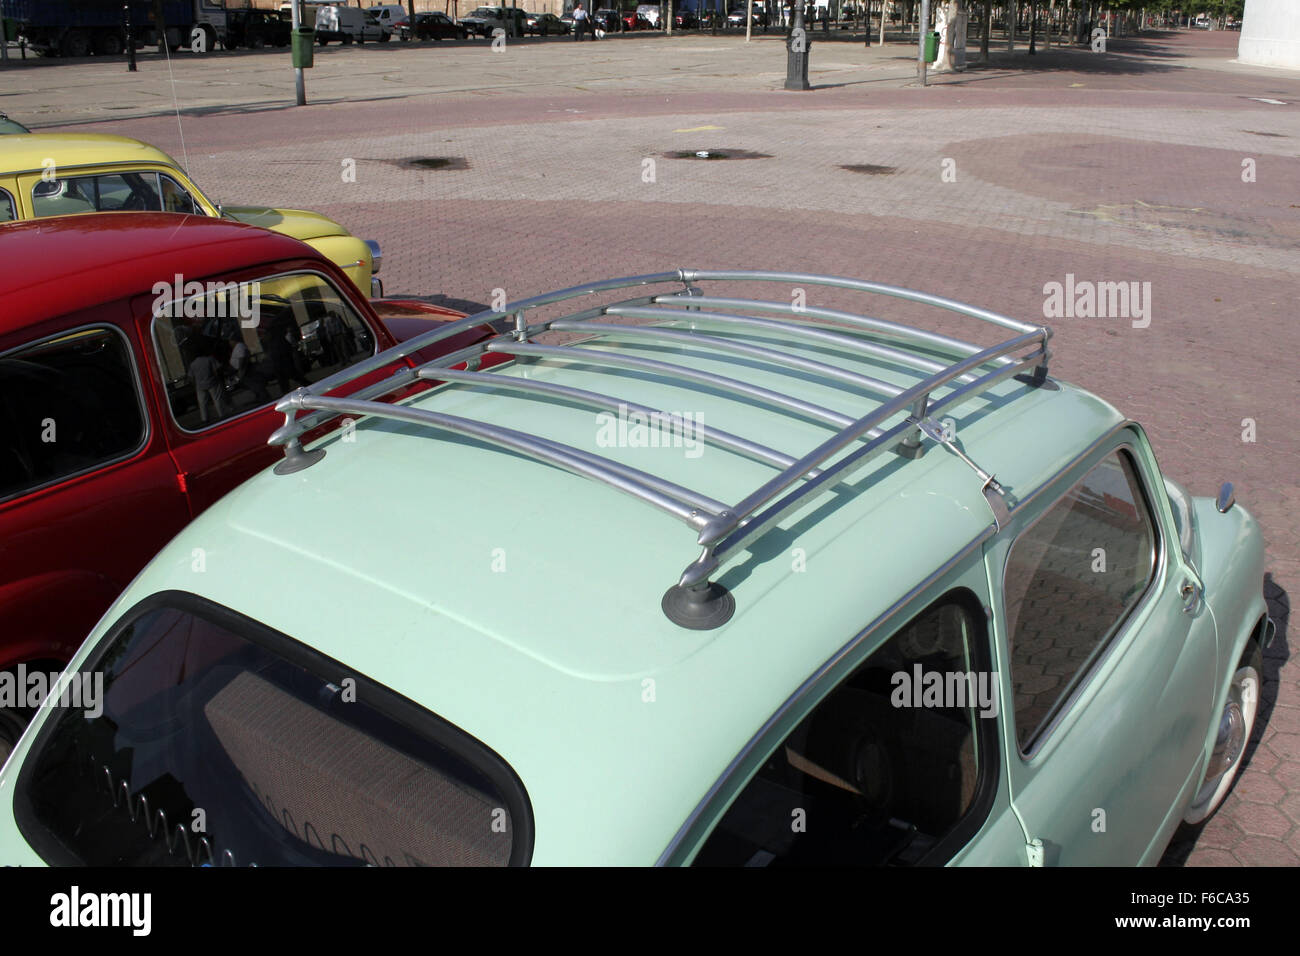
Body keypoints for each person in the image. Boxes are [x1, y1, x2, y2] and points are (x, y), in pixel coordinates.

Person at [188, 349, 227, 424]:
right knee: (216, 399)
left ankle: (205, 419)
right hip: (212, 382)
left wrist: (194, 385)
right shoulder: (209, 359)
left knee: (202, 403)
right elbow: (217, 369)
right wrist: (218, 377)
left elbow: (191, 376)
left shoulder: (193, 364)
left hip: (200, 386)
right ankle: (221, 414)